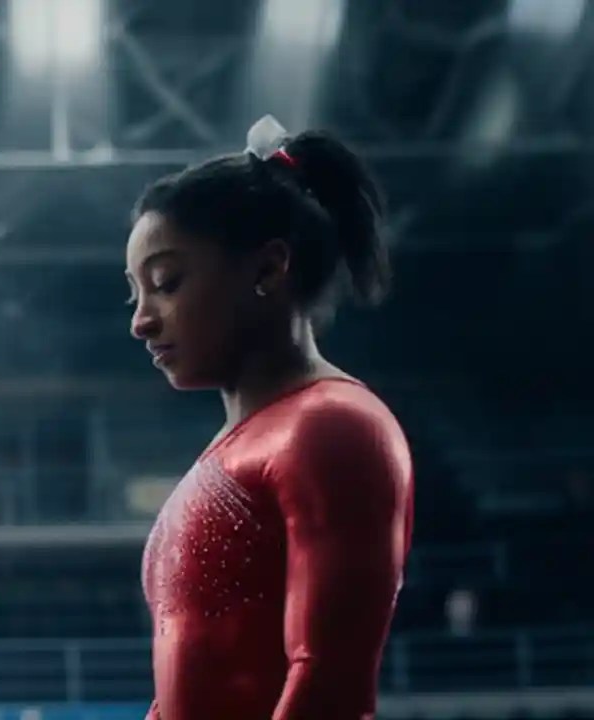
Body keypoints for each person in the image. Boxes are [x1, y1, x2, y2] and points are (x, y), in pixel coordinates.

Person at [125, 116, 414, 720]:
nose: (141, 321)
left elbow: (327, 685)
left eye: (166, 283)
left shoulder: (331, 427)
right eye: (136, 293)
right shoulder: (240, 445)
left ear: (267, 269)